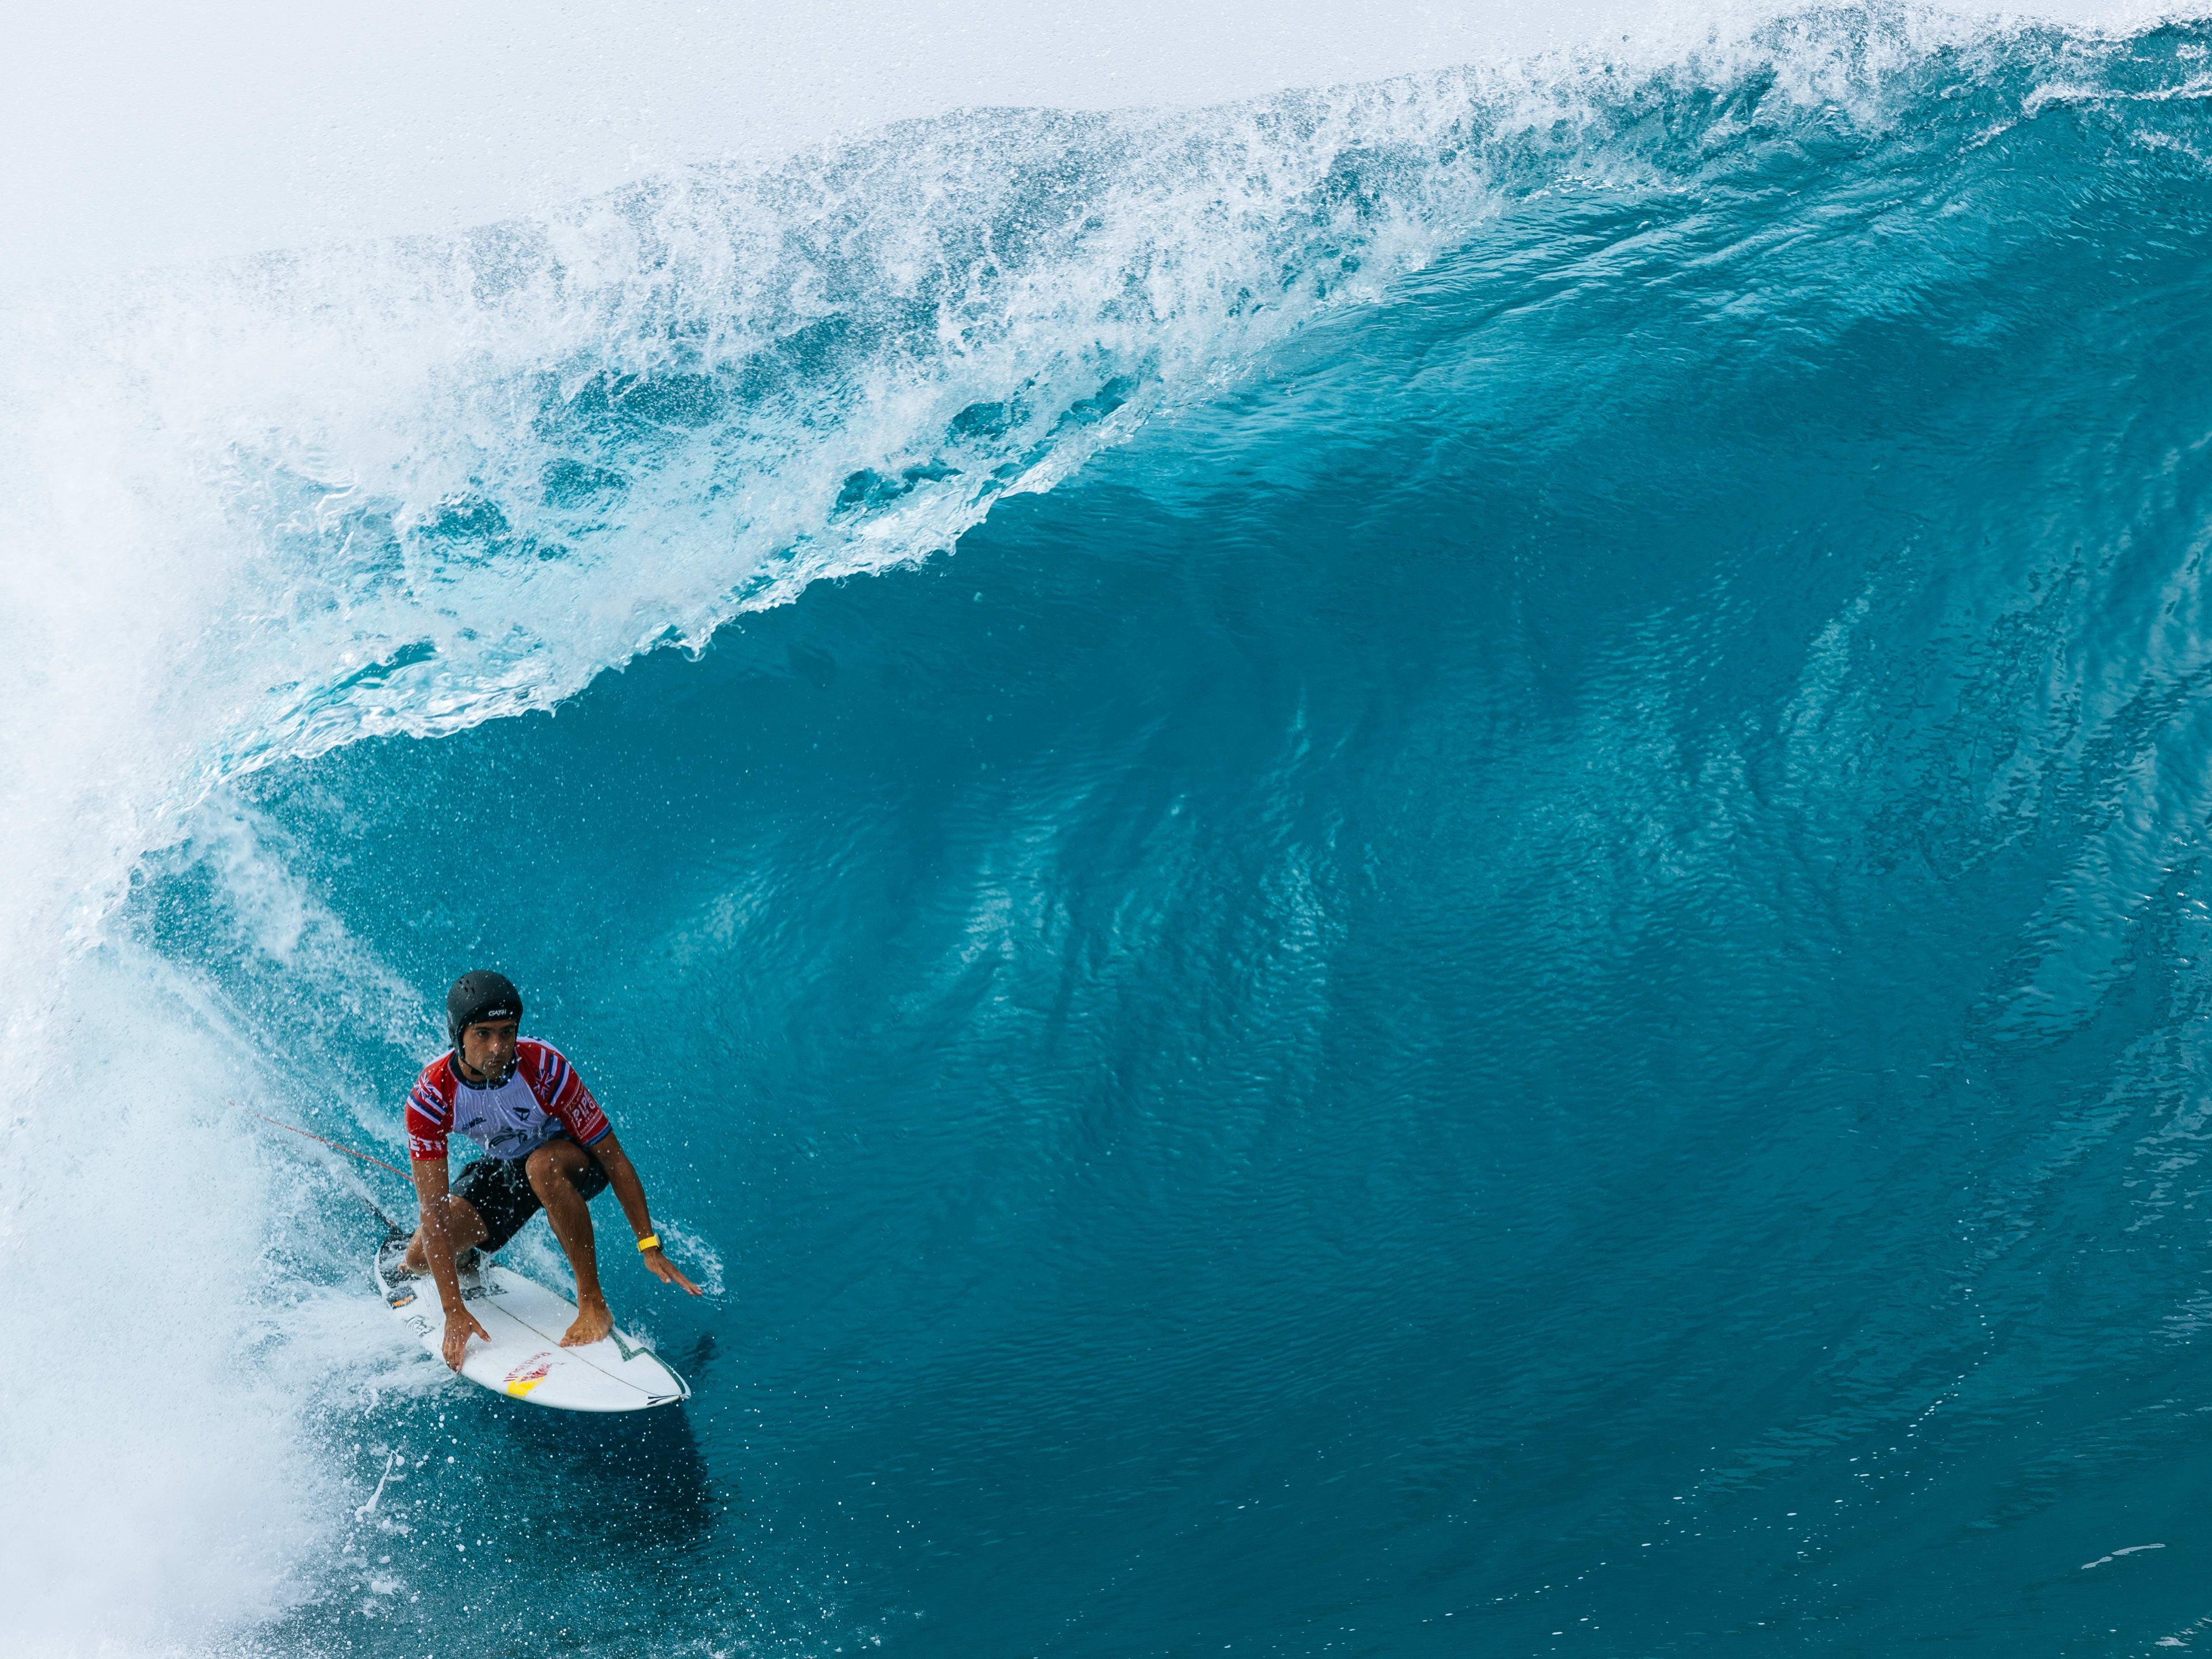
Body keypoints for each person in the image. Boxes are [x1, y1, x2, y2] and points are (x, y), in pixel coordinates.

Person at [398, 969, 700, 1370]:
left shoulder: (544, 1068)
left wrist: (649, 1245)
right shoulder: (432, 1096)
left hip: (571, 1160)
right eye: (483, 1034)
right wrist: (453, 1310)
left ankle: (592, 1301)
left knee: (544, 1166)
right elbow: (433, 1209)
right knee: (418, 1260)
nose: (498, 1047)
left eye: (508, 1032)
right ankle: (469, 1257)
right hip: (506, 1166)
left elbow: (613, 1157)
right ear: (458, 1036)